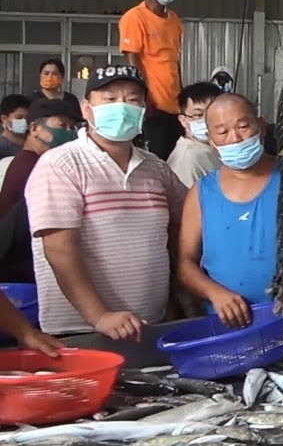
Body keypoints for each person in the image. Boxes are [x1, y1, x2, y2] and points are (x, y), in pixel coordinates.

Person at [25, 64, 187, 340]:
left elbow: (183, 225)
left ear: (144, 110)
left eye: (133, 99)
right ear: (86, 109)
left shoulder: (156, 168)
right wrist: (99, 316)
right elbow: (59, 249)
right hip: (82, 330)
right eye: (110, 99)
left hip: (148, 323)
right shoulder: (61, 164)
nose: (122, 107)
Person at [176, 94, 279, 328]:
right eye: (222, 132)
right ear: (211, 141)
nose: (235, 138)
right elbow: (185, 265)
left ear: (261, 126)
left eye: (243, 127)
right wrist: (215, 294)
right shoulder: (201, 193)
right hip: (229, 326)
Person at [0, 99, 82, 285]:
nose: (68, 132)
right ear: (35, 129)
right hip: (20, 274)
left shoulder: (28, 160)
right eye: (61, 125)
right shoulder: (35, 167)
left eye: (72, 127)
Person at [119, 0, 184, 161]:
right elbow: (132, 59)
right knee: (155, 162)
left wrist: (182, 99)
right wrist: (143, 97)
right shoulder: (135, 17)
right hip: (153, 108)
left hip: (175, 105)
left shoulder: (174, 20)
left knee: (175, 162)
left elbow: (174, 61)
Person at [168, 82, 225, 188]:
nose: (207, 119)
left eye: (213, 112)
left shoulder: (213, 148)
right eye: (198, 115)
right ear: (183, 120)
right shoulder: (187, 160)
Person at [0, 95, 31, 160]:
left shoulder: (33, 141)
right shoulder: (2, 146)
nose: (24, 121)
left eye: (27, 117)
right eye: (19, 118)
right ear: (4, 119)